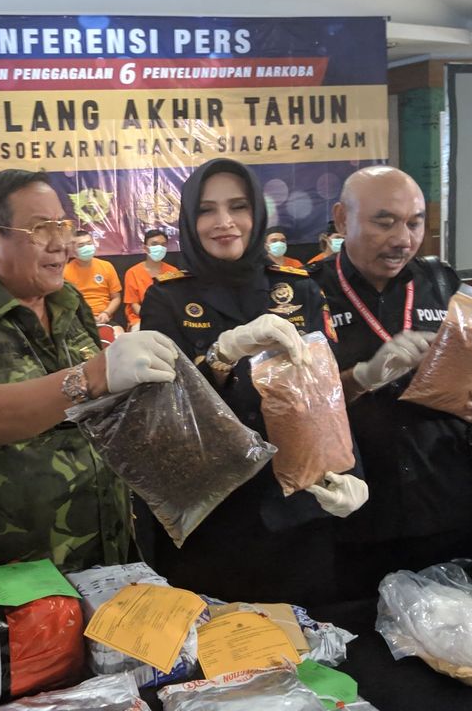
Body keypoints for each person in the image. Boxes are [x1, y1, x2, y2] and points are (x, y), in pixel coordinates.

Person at [0, 169, 179, 585]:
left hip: (99, 552)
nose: (60, 244)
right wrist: (91, 376)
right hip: (1, 570)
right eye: (40, 229)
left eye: (62, 226)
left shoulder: (68, 302)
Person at [139, 157, 367, 608]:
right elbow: (163, 414)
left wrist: (351, 471)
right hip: (210, 516)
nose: (224, 222)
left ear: (257, 213)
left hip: (298, 508)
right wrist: (221, 355)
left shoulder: (299, 289)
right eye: (206, 210)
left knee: (307, 640)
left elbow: (325, 397)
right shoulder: (167, 298)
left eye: (238, 206)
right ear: (189, 221)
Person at [307, 166, 472, 595]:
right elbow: (293, 407)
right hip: (350, 515)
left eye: (415, 223)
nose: (403, 239)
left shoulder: (441, 283)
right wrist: (362, 377)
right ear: (342, 219)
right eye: (385, 222)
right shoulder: (308, 293)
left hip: (442, 503)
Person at [121, 228, 180, 330]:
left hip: (168, 318)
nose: (159, 248)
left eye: (163, 245)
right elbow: (134, 304)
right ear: (145, 248)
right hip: (141, 319)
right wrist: (152, 319)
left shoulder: (173, 271)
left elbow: (176, 301)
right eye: (154, 244)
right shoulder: (133, 272)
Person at [62, 229, 123, 325]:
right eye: (81, 245)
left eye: (89, 243)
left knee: (119, 332)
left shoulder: (107, 266)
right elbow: (63, 302)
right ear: (73, 250)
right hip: (78, 321)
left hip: (104, 318)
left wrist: (106, 313)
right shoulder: (64, 271)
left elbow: (116, 298)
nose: (86, 247)